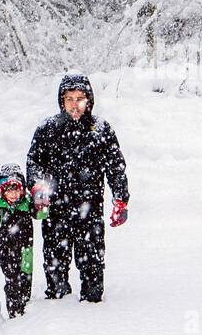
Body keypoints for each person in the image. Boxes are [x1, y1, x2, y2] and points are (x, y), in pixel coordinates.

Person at [26, 74, 129, 303]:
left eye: (80, 98)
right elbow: (34, 162)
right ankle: (57, 306)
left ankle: (91, 306)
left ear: (88, 100)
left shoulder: (100, 130)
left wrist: (120, 199)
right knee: (55, 264)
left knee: (92, 264)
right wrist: (37, 188)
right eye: (69, 98)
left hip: (89, 209)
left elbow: (115, 167)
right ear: (62, 101)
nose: (75, 103)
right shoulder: (48, 129)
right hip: (55, 209)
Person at [0, 163, 48, 318]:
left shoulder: (26, 202)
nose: (14, 194)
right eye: (10, 190)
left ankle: (26, 304)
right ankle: (14, 312)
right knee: (12, 278)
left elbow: (39, 215)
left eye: (17, 189)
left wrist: (42, 203)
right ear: (1, 190)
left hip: (26, 247)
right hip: (5, 248)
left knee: (25, 275)